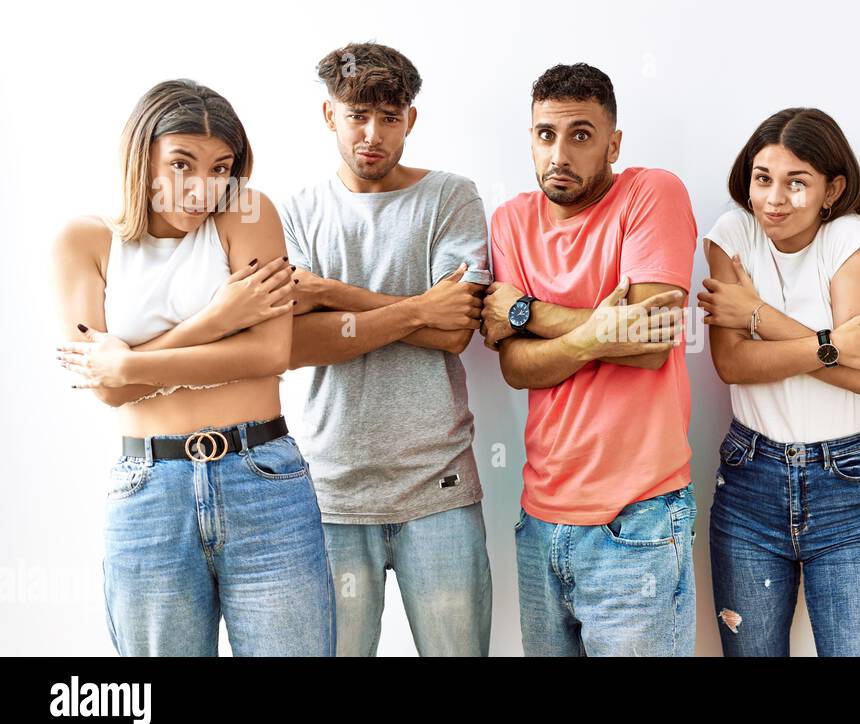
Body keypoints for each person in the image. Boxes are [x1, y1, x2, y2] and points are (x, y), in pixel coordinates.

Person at [52, 79, 334, 656]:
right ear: (143, 156)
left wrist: (131, 362)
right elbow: (107, 390)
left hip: (262, 477)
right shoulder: (83, 241)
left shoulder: (248, 211)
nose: (202, 188)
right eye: (181, 163)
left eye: (220, 167)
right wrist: (219, 318)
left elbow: (267, 354)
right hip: (149, 491)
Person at [282, 42, 493, 656]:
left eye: (390, 117)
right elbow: (300, 343)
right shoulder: (297, 212)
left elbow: (456, 330)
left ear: (411, 119)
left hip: (440, 483)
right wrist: (419, 308)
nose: (372, 134)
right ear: (330, 116)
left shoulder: (451, 197)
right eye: (356, 116)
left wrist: (329, 292)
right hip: (331, 489)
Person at [480, 62, 695, 656]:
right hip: (539, 518)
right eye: (546, 135)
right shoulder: (510, 220)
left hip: (638, 521)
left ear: (613, 143)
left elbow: (652, 344)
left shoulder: (651, 193)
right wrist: (601, 332)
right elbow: (516, 367)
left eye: (581, 134)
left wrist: (524, 310)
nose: (560, 153)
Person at [698, 107, 860, 656]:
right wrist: (828, 345)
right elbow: (733, 364)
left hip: (847, 485)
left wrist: (755, 313)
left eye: (796, 183)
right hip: (750, 480)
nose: (774, 199)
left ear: (832, 188)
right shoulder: (732, 234)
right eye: (763, 179)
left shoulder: (850, 238)